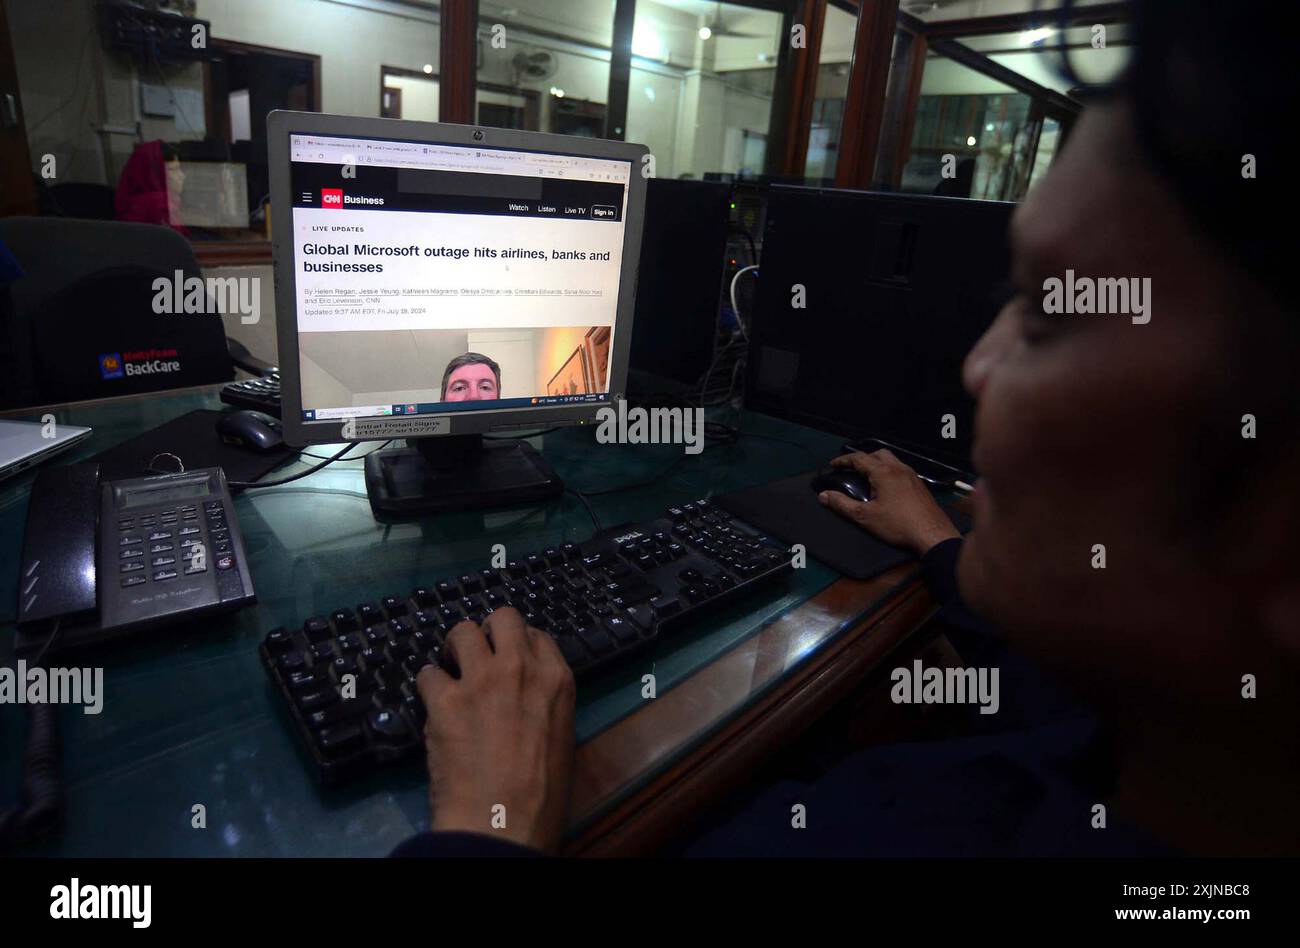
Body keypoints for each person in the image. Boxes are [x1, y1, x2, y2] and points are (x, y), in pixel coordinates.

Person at [394, 0, 1299, 857]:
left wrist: (484, 831)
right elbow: (1045, 699)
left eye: (1052, 312)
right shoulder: (1152, 749)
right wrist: (945, 546)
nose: (979, 366)